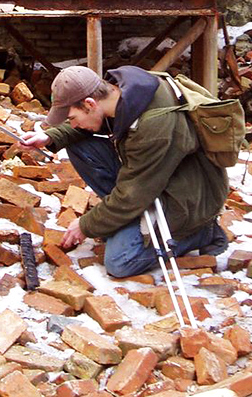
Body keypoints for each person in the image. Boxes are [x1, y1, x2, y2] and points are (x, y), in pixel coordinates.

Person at [21, 64, 229, 278]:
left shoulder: (154, 127)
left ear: (90, 103)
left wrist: (86, 226)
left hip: (190, 198)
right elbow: (105, 123)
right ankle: (124, 219)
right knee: (78, 144)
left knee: (120, 261)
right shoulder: (120, 93)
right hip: (154, 175)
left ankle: (202, 232)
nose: (73, 125)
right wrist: (51, 137)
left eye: (72, 119)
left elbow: (132, 195)